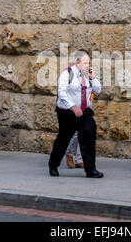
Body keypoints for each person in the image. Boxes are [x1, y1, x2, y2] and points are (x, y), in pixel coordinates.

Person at [49, 50, 103, 178]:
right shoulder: (67, 74)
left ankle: (91, 170)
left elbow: (98, 90)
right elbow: (61, 93)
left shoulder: (87, 75)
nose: (88, 66)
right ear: (78, 62)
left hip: (84, 111)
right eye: (85, 63)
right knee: (63, 139)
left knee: (88, 136)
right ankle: (53, 165)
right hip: (68, 112)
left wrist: (92, 78)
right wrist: (73, 107)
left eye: (89, 63)